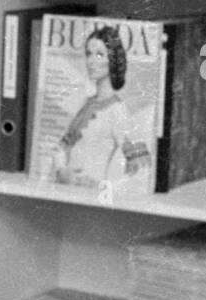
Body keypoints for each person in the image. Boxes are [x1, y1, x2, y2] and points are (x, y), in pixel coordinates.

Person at [49, 25, 150, 187]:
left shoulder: (117, 110)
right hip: (67, 189)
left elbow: (139, 166)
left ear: (113, 59)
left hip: (91, 194)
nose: (90, 61)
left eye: (99, 54)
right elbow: (62, 147)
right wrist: (61, 170)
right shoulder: (86, 103)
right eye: (88, 54)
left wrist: (103, 186)